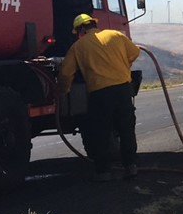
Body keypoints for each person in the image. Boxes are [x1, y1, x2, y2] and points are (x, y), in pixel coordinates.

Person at [58, 13, 141, 181]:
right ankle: (131, 166)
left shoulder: (78, 47)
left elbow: (66, 73)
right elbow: (135, 52)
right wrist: (123, 65)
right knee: (126, 129)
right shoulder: (116, 35)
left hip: (100, 93)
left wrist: (63, 91)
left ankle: (103, 172)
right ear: (93, 24)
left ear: (81, 29)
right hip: (124, 89)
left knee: (100, 133)